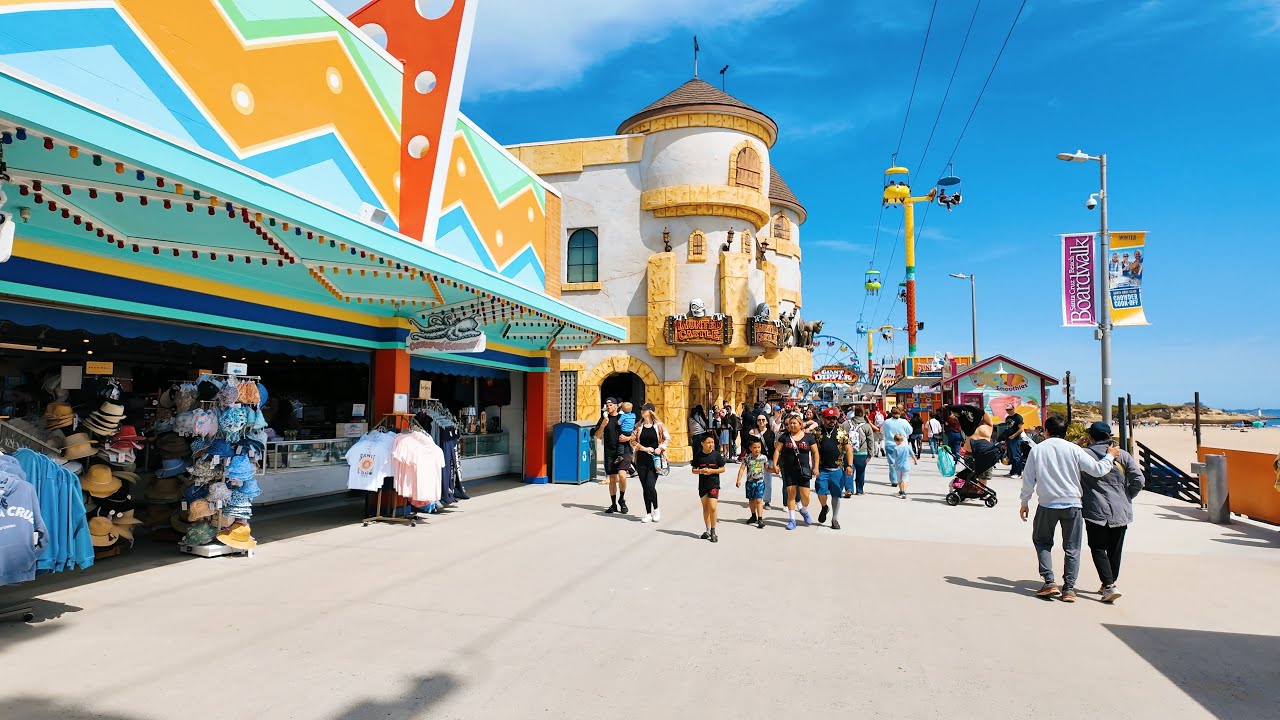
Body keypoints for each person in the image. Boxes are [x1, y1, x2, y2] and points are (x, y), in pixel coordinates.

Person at [1018, 415, 1121, 602]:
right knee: (1072, 548)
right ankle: (1069, 588)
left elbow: (1028, 479)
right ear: (1065, 431)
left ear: (1046, 431)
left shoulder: (1038, 450)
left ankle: (1049, 582)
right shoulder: (1075, 449)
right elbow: (1098, 470)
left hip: (1047, 504)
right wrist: (1110, 456)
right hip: (1073, 504)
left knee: (1042, 542)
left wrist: (1024, 502)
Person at [1080, 422, 1144, 603]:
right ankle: (1110, 582)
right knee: (1115, 549)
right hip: (1121, 509)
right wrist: (1128, 495)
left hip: (1096, 509)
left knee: (1098, 547)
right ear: (1109, 436)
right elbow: (1139, 479)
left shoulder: (1085, 454)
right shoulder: (1122, 454)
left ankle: (1109, 585)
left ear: (1091, 437)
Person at [772, 413, 818, 530]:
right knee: (791, 495)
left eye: (794, 423)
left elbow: (815, 452)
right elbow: (777, 451)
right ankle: (792, 519)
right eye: (790, 423)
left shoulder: (808, 437)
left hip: (804, 470)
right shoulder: (784, 437)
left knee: (805, 496)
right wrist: (775, 464)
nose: (791, 425)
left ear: (800, 424)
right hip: (788, 470)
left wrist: (816, 467)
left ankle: (804, 510)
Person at [814, 407, 853, 530]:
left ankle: (835, 519)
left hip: (837, 469)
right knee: (821, 492)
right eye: (829, 418)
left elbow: (848, 449)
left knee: (836, 495)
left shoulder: (842, 432)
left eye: (834, 418)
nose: (831, 420)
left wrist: (849, 465)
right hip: (822, 469)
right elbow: (813, 451)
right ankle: (824, 507)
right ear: (823, 419)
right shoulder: (818, 432)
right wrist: (814, 466)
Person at [630, 403, 670, 524]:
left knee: (650, 486)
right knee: (644, 487)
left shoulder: (659, 426)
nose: (642, 411)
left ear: (650, 411)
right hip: (641, 459)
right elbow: (632, 440)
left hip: (655, 460)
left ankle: (656, 510)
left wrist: (661, 447)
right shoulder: (638, 425)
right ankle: (648, 513)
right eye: (641, 409)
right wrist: (643, 448)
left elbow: (667, 439)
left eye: (644, 410)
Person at [594, 397, 632, 513]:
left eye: (610, 405)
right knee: (612, 479)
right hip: (609, 452)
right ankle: (614, 504)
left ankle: (622, 499)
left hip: (624, 450)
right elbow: (598, 436)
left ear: (616, 406)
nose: (608, 407)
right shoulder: (604, 419)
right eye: (607, 405)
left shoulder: (623, 417)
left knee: (622, 476)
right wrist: (602, 426)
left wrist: (628, 438)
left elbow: (634, 433)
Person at [693, 434, 725, 542]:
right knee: (705, 508)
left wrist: (712, 471)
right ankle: (707, 530)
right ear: (702, 443)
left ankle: (713, 531)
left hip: (714, 484)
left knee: (712, 507)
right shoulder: (698, 456)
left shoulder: (716, 455)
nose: (711, 444)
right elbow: (693, 470)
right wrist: (701, 471)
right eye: (708, 442)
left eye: (712, 442)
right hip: (703, 486)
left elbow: (722, 469)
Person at [736, 438, 768, 529]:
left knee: (758, 500)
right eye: (754, 447)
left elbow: (767, 468)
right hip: (750, 482)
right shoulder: (747, 458)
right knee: (751, 500)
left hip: (760, 482)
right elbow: (742, 468)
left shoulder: (763, 458)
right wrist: (738, 480)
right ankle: (753, 516)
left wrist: (774, 470)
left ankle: (760, 519)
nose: (757, 449)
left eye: (759, 447)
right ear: (750, 448)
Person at [747, 413, 777, 509]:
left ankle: (767, 501)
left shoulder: (771, 433)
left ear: (767, 421)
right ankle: (757, 498)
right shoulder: (753, 432)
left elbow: (773, 447)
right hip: (756, 460)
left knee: (767, 481)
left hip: (768, 459)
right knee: (756, 479)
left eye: (763, 420)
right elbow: (749, 446)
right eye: (759, 420)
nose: (761, 422)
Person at [881, 408, 914, 488]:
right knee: (903, 461)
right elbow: (910, 431)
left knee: (892, 463)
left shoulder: (887, 422)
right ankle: (903, 479)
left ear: (891, 413)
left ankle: (894, 480)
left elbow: (882, 431)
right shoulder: (904, 421)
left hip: (890, 444)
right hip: (902, 445)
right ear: (900, 413)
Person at [847, 408, 875, 496]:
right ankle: (859, 490)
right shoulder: (867, 426)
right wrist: (870, 454)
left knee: (848, 470)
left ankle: (849, 489)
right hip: (862, 452)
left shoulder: (846, 424)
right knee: (861, 471)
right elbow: (870, 441)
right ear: (863, 414)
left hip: (848, 452)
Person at [886, 433, 916, 499]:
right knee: (905, 479)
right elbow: (912, 454)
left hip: (898, 466)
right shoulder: (907, 447)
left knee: (899, 480)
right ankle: (904, 491)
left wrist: (894, 463)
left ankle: (901, 490)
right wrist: (915, 460)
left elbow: (894, 457)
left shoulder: (896, 448)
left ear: (896, 441)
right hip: (906, 466)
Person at [1000, 408, 1026, 478]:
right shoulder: (1008, 417)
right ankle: (1012, 472)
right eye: (1007, 410)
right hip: (1008, 439)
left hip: (1015, 439)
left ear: (1013, 409)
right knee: (1010, 456)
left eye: (1010, 409)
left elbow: (1021, 429)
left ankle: (1018, 473)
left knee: (1016, 456)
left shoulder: (1018, 417)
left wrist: (1014, 435)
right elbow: (1008, 429)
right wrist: (1005, 439)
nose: (1008, 411)